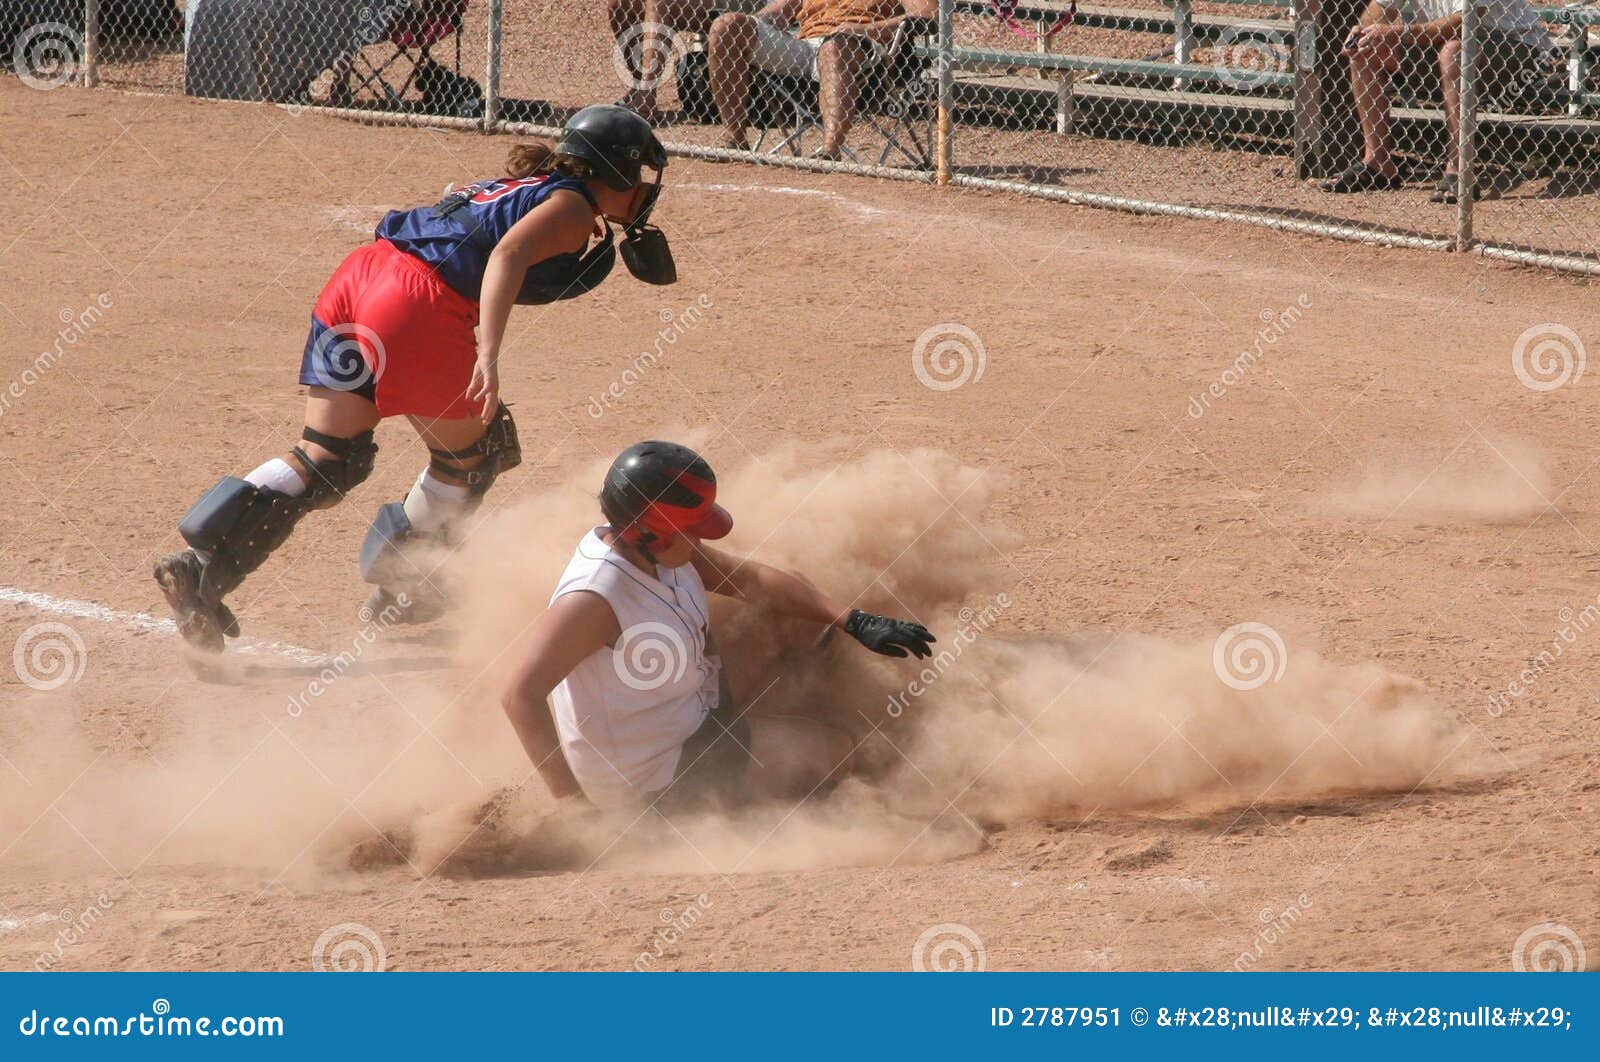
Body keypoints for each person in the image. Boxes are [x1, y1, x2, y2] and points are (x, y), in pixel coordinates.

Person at [154, 104, 679, 655]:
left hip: (362, 277)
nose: (643, 190)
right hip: (413, 304)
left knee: (329, 458)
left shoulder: (532, 182)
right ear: (612, 171)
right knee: (477, 454)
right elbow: (508, 254)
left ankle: (201, 570)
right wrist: (489, 352)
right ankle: (406, 586)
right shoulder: (572, 206)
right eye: (637, 175)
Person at [500, 440, 938, 810]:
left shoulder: (659, 551)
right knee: (836, 750)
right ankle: (756, 818)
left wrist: (853, 620)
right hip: (657, 780)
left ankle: (760, 755)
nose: (702, 540)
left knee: (800, 629)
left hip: (690, 712)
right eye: (694, 530)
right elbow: (520, 695)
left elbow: (751, 579)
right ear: (652, 533)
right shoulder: (595, 598)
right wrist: (573, 808)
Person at [1324, 0, 1550, 202]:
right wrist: (1364, 32)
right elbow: (1379, 8)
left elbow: (1463, 23)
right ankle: (1377, 163)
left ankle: (1459, 171)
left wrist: (1394, 33)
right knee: (1365, 49)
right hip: (1442, 46)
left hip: (1518, 52)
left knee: (1454, 50)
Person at [707, 0, 937, 161]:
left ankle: (829, 150)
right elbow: (779, 11)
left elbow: (930, 15)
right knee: (726, 26)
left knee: (834, 47)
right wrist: (750, 25)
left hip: (864, 51)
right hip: (803, 45)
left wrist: (866, 29)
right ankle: (735, 138)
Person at [607, 0, 767, 120]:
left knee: (661, 3)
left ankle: (645, 97)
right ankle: (641, 85)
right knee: (622, 5)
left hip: (750, 8)